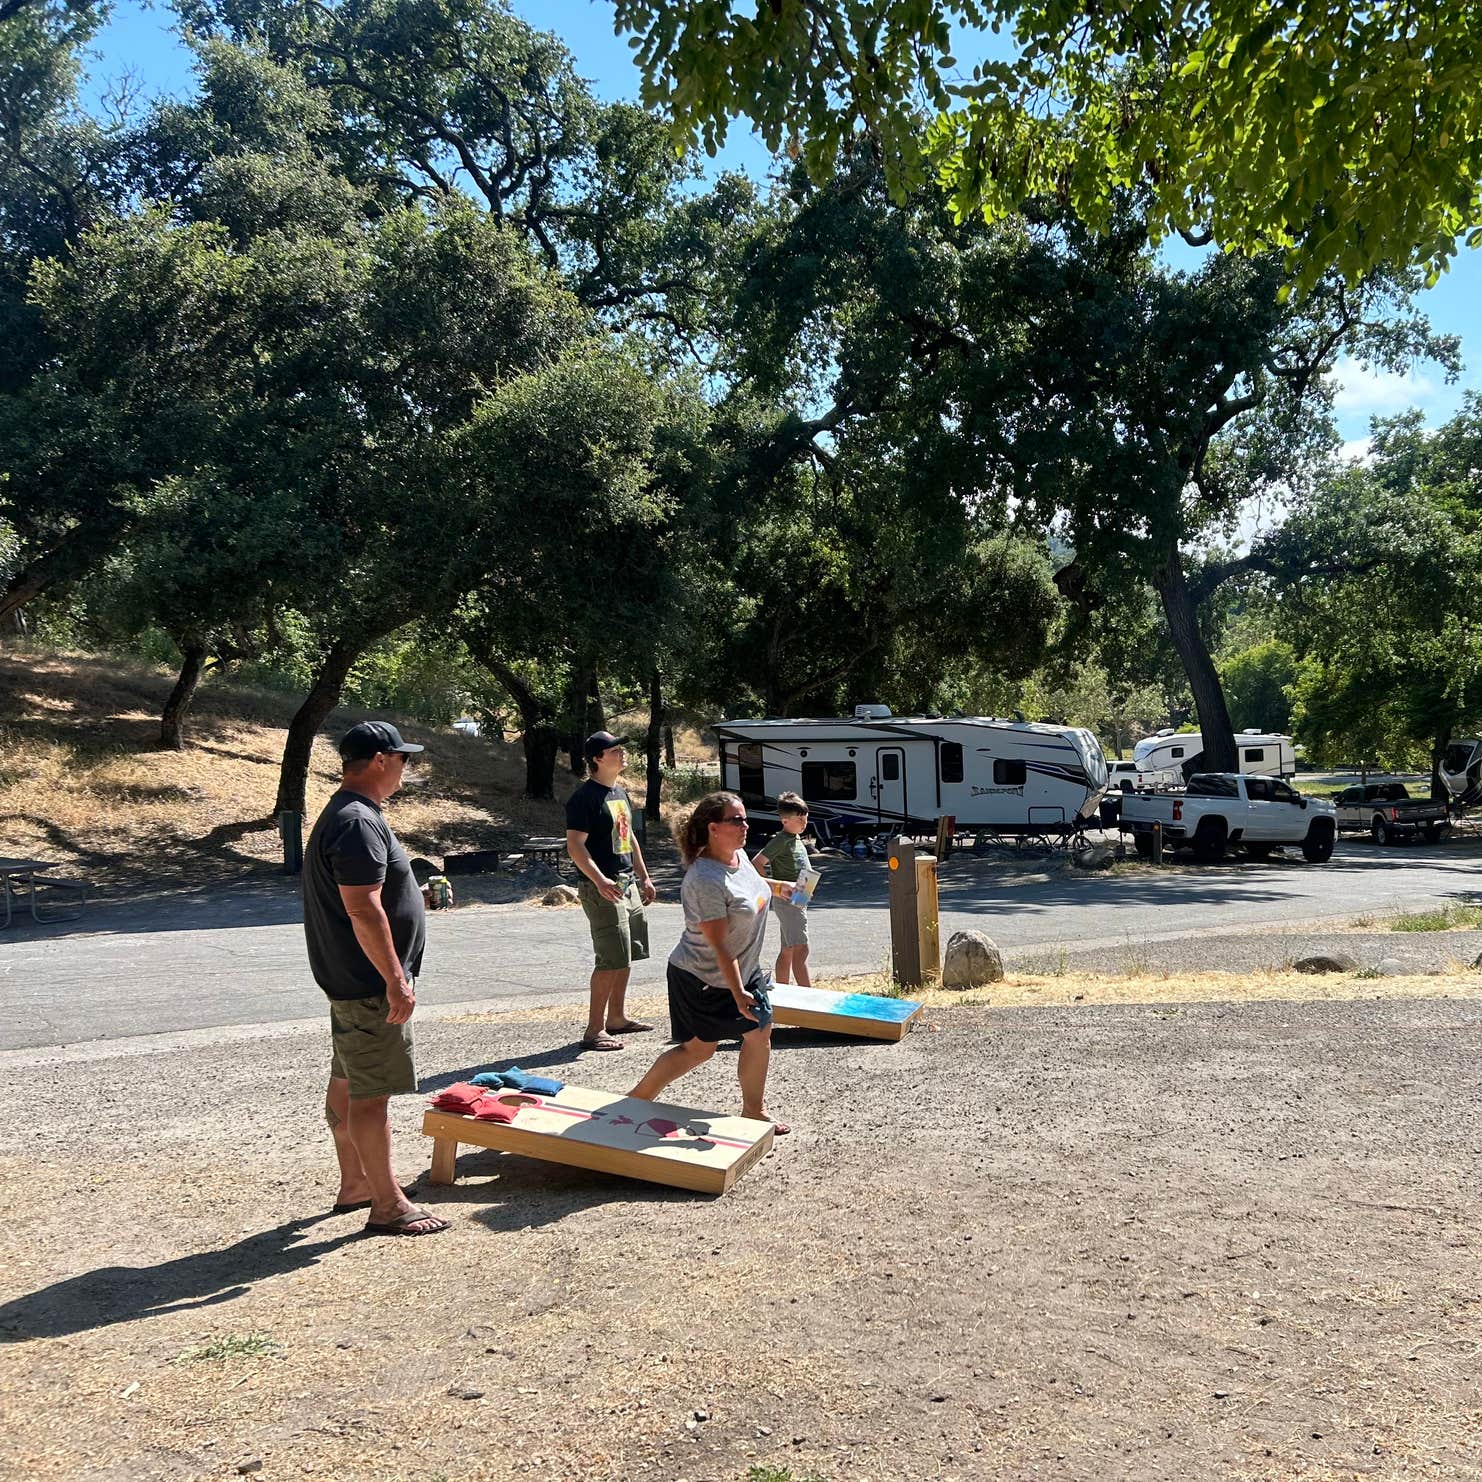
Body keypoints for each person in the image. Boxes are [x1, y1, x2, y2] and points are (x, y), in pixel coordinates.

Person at [303, 720, 450, 1237]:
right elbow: (363, 909)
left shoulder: (348, 814)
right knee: (371, 1096)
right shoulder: (357, 822)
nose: (406, 769)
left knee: (347, 1082)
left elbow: (368, 898)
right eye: (403, 759)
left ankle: (356, 1184)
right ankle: (387, 1205)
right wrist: (394, 978)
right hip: (368, 988)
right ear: (381, 760)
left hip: (351, 984)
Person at [629, 791, 793, 1133]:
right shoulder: (704, 879)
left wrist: (780, 888)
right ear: (713, 828)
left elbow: (751, 886)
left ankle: (754, 1111)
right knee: (699, 1050)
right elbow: (720, 946)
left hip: (743, 970)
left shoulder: (737, 855)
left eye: (745, 818)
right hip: (703, 977)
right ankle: (636, 1099)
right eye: (737, 820)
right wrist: (737, 993)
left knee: (759, 1033)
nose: (746, 826)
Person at [565, 730, 657, 1051]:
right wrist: (599, 880)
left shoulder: (619, 793)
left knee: (625, 953)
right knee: (610, 958)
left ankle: (617, 1018)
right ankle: (594, 1030)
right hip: (602, 888)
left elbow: (628, 837)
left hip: (627, 883)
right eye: (614, 750)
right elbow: (575, 846)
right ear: (597, 759)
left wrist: (644, 876)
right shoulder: (584, 797)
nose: (622, 753)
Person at [752, 791, 813, 986]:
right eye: (799, 819)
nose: (804, 822)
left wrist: (808, 888)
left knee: (788, 949)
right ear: (785, 821)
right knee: (801, 948)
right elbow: (757, 863)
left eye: (806, 817)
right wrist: (774, 887)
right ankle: (808, 995)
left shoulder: (796, 838)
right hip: (788, 900)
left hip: (800, 897)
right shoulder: (781, 840)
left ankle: (782, 990)